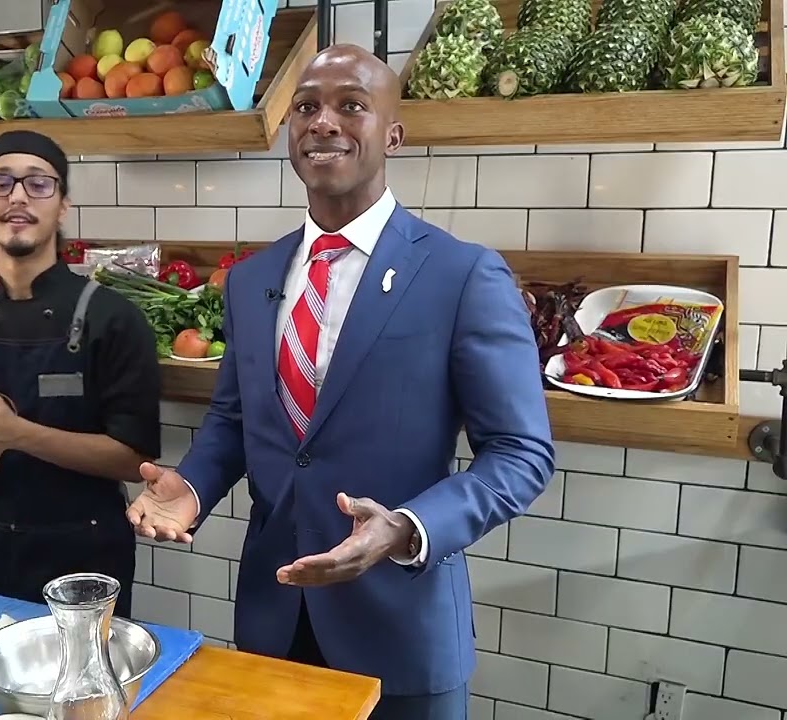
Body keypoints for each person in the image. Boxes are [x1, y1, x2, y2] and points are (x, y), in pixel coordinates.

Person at [126, 45, 555, 719]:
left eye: (350, 105)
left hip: (402, 632)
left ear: (393, 134)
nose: (322, 121)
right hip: (275, 622)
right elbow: (236, 423)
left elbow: (522, 454)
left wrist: (407, 528)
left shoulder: (462, 275)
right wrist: (194, 486)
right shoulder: (251, 280)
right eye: (305, 107)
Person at [0, 130, 162, 618]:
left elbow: (134, 460)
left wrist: (16, 435)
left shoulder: (113, 319)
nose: (18, 196)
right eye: (0, 183)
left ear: (63, 204)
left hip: (90, 554)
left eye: (39, 184)